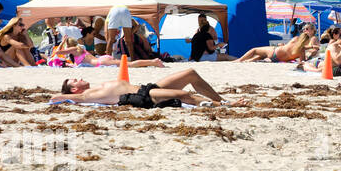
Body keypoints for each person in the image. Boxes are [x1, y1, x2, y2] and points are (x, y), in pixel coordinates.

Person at [52, 68, 244, 108]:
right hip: (140, 96)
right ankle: (223, 106)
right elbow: (56, 98)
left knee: (191, 73)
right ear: (74, 90)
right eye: (74, 80)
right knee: (184, 94)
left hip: (146, 88)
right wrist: (62, 96)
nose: (79, 78)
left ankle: (221, 99)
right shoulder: (85, 96)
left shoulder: (94, 89)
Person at [236, 23, 318, 62]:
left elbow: (298, 46)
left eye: (306, 29)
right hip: (277, 59)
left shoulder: (295, 39)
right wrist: (311, 48)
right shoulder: (301, 51)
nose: (304, 30)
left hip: (274, 52)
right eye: (304, 29)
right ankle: (243, 61)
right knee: (258, 56)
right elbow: (302, 59)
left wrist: (311, 48)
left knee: (254, 50)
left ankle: (239, 60)